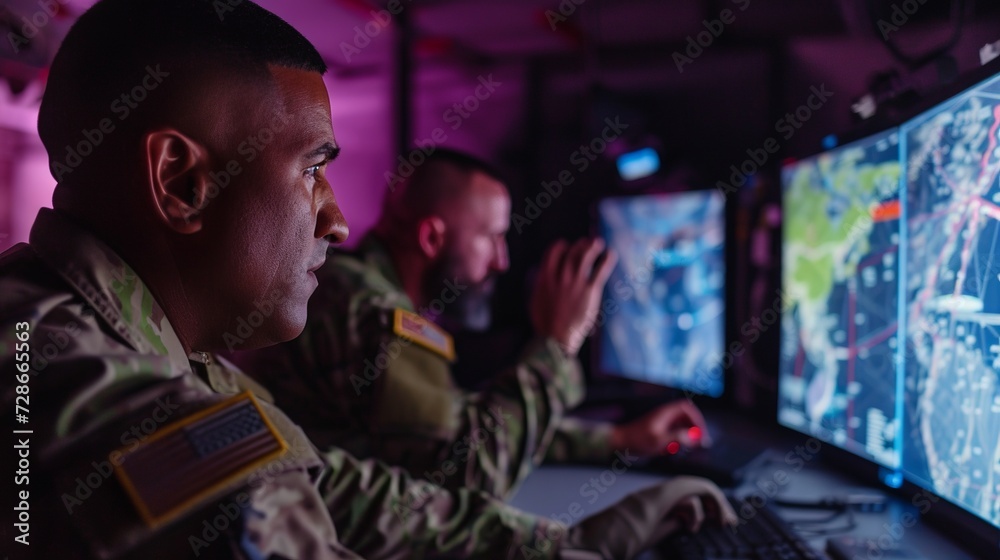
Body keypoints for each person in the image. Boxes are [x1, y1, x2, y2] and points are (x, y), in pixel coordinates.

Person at [0, 1, 736, 558]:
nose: (337, 222)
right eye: (313, 171)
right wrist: (555, 348)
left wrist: (565, 545)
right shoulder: (83, 383)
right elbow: (446, 471)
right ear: (181, 181)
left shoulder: (163, 353)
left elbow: (340, 491)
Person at [236, 148, 714, 500]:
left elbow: (454, 422)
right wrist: (556, 344)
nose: (502, 262)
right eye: (491, 238)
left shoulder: (357, 288)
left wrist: (619, 440)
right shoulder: (378, 316)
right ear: (430, 237)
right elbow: (468, 474)